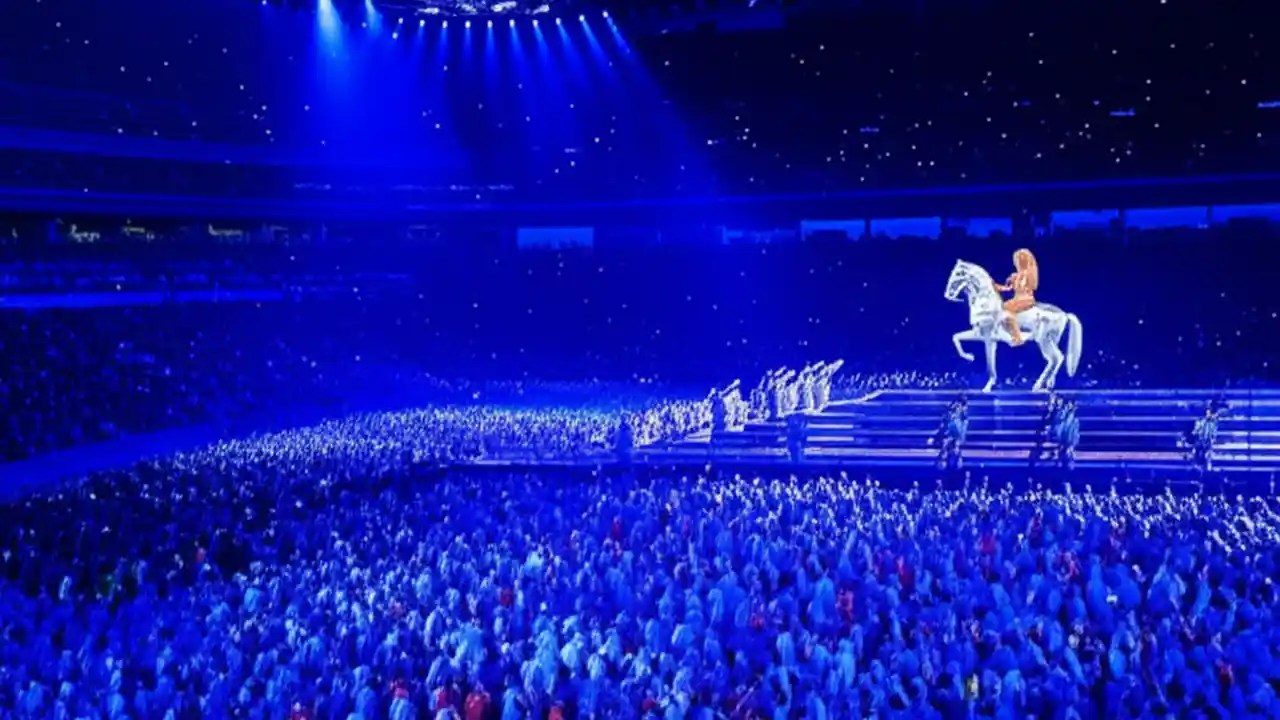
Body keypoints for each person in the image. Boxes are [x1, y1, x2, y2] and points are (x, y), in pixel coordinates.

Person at [993, 248, 1039, 346]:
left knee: (1008, 309)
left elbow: (1032, 287)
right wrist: (995, 287)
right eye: (1017, 260)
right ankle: (1007, 332)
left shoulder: (1028, 275)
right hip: (1017, 298)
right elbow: (1008, 289)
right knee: (1001, 307)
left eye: (1020, 260)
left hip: (1026, 299)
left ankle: (1018, 337)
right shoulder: (1015, 276)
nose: (1018, 262)